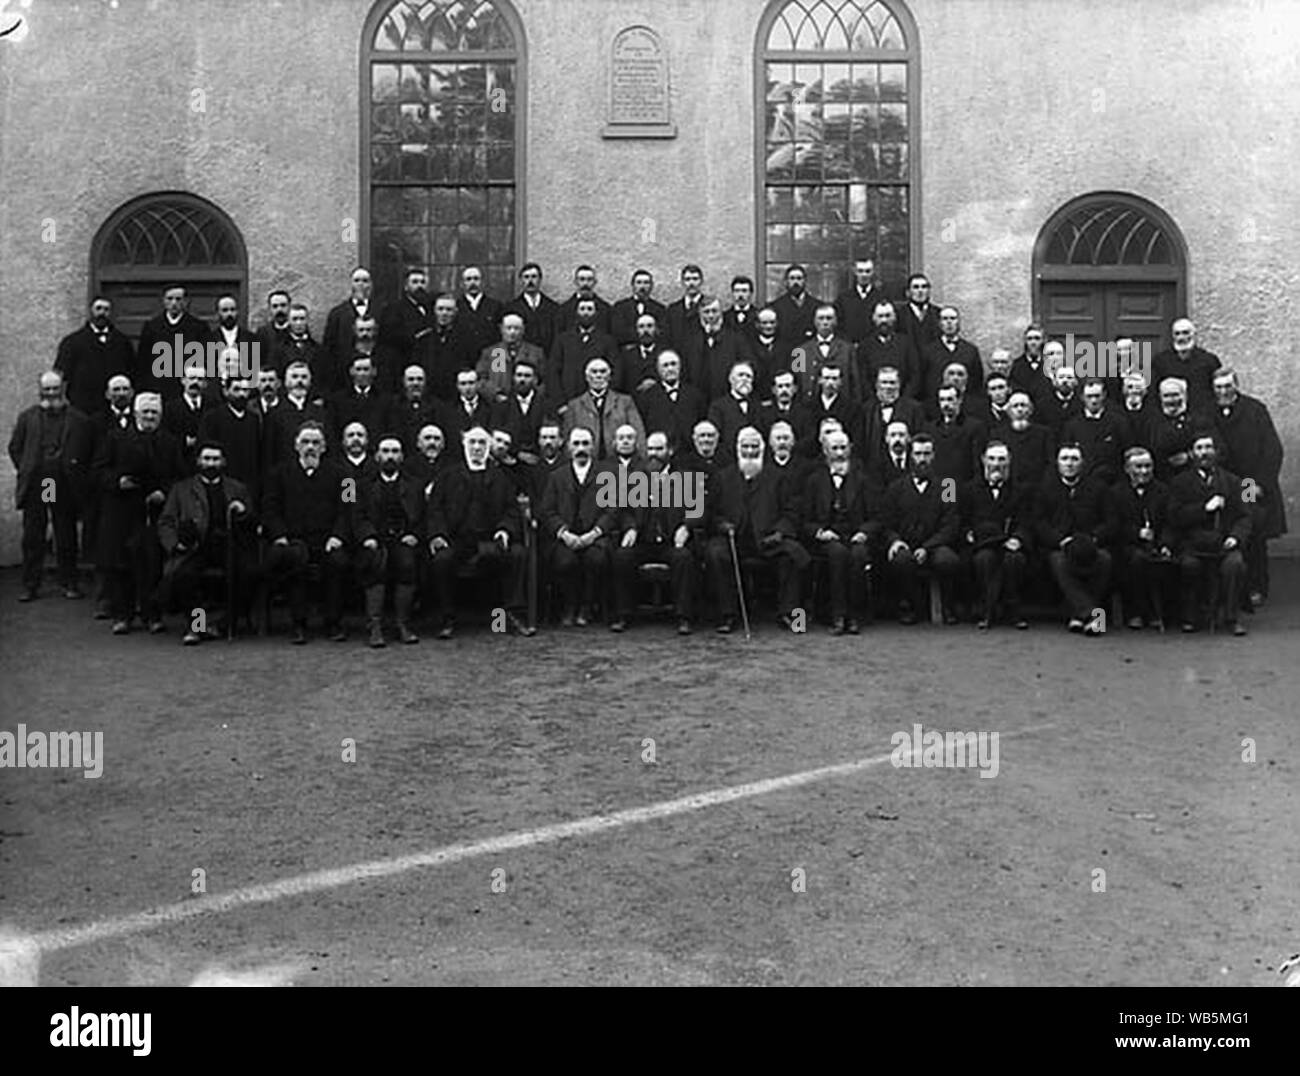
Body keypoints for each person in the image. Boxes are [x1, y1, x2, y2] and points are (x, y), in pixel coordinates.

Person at [262, 421, 372, 644]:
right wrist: (280, 535)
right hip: (294, 539)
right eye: (305, 442)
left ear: (324, 447)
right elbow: (270, 508)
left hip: (328, 539)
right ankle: (299, 624)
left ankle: (333, 622)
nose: (310, 447)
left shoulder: (344, 475)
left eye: (315, 442)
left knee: (337, 563)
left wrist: (338, 536)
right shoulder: (279, 473)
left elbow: (349, 508)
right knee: (295, 563)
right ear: (296, 445)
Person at [93, 392, 187, 634]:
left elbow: (180, 477)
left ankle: (152, 615)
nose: (149, 417)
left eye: (154, 413)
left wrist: (164, 493)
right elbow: (98, 471)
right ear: (135, 413)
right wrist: (117, 481)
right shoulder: (115, 438)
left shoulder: (169, 442)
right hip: (122, 510)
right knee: (121, 564)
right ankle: (122, 616)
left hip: (155, 512)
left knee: (152, 563)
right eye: (145, 412)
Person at [427, 426, 530, 638]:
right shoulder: (448, 476)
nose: (476, 448)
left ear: (488, 447)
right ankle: (448, 618)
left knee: (516, 553)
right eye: (472, 443)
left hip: (490, 538)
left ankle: (504, 618)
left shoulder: (500, 476)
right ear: (464, 445)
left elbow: (511, 509)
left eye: (482, 443)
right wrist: (438, 534)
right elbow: (435, 509)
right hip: (457, 539)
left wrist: (505, 529)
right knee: (442, 560)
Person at [705, 426, 809, 633]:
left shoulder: (777, 477)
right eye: (745, 447)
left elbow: (791, 512)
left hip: (768, 538)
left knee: (794, 554)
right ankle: (728, 615)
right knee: (716, 554)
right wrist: (722, 525)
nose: (750, 451)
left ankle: (792, 615)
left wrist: (780, 531)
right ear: (737, 449)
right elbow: (711, 512)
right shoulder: (723, 477)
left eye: (754, 447)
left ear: (762, 449)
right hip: (733, 539)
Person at [156, 441, 258, 643]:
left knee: (249, 573)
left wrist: (243, 512)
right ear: (198, 461)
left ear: (223, 462)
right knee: (185, 576)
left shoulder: (237, 488)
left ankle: (223, 624)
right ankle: (198, 626)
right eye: (207, 459)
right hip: (197, 547)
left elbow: (253, 520)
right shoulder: (182, 489)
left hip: (229, 545)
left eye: (215, 459)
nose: (211, 464)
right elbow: (166, 521)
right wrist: (176, 544)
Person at [9, 371, 91, 602]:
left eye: (56, 388)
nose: (52, 393)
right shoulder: (28, 417)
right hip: (39, 484)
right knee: (33, 535)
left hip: (64, 484)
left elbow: (86, 451)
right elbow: (15, 448)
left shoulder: (78, 419)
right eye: (47, 389)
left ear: (63, 388)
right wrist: (28, 468)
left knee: (65, 535)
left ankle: (69, 582)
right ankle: (30, 584)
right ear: (40, 390)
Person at [607, 430, 698, 634]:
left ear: (669, 451)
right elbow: (624, 510)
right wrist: (630, 528)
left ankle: (684, 617)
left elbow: (698, 508)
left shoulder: (685, 477)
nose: (654, 454)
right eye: (650, 449)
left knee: (683, 558)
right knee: (622, 556)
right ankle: (623, 614)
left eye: (659, 449)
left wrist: (686, 526)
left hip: (671, 542)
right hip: (643, 542)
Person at [1212, 368, 1285, 606]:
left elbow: (1272, 450)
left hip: (1250, 482)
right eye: (1219, 387)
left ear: (1236, 386)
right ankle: (1229, 591)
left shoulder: (1255, 410)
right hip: (1223, 484)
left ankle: (1256, 588)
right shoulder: (1208, 412)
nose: (1223, 391)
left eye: (1227, 386)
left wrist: (1260, 484)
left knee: (1254, 536)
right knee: (1226, 535)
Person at [1167, 432, 1250, 635]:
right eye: (1199, 448)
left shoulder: (1233, 481)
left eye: (1208, 447)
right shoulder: (1180, 483)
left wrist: (1235, 537)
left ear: (1216, 452)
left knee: (1235, 564)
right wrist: (1205, 508)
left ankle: (1231, 618)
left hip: (1222, 543)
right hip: (1193, 544)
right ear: (1191, 453)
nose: (1204, 453)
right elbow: (1174, 517)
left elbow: (1245, 517)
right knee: (1189, 565)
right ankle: (1191, 617)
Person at [1031, 443, 1114, 635]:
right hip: (1059, 546)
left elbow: (1111, 521)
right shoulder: (1045, 489)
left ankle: (1078, 616)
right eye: (1065, 459)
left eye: (1074, 459)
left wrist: (1093, 538)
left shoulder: (1099, 488)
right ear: (1057, 463)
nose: (1070, 464)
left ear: (1082, 463)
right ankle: (1094, 617)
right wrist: (1061, 540)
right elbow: (1039, 522)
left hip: (1091, 544)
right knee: (1059, 562)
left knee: (1105, 560)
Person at [881, 432, 960, 624]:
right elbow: (887, 523)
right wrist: (895, 540)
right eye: (918, 454)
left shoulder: (947, 486)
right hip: (906, 543)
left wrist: (928, 547)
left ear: (933, 456)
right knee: (900, 560)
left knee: (948, 560)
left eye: (926, 454)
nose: (922, 459)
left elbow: (951, 523)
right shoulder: (896, 487)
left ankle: (948, 607)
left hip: (935, 544)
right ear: (910, 455)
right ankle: (911, 606)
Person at [540, 426, 614, 626]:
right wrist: (564, 534)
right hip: (566, 537)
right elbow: (547, 511)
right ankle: (569, 606)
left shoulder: (606, 474)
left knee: (596, 559)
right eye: (576, 444)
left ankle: (587, 607)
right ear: (568, 447)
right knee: (565, 562)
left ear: (592, 446)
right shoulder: (557, 476)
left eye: (585, 443)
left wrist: (594, 534)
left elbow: (611, 511)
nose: (581, 448)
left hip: (595, 537)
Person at [803, 428, 874, 634]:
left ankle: (855, 616)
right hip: (828, 539)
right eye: (835, 448)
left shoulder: (862, 480)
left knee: (858, 554)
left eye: (844, 448)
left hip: (855, 535)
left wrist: (864, 532)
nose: (840, 453)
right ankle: (838, 615)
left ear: (850, 449)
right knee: (838, 553)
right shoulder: (814, 481)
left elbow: (876, 517)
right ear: (825, 451)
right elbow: (805, 520)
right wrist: (819, 532)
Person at [359, 436, 424, 647]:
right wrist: (367, 535)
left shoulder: (415, 484)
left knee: (407, 563)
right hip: (375, 539)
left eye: (395, 451)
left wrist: (415, 533)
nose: (390, 456)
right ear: (377, 455)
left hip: (403, 538)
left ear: (402, 456)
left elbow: (425, 515)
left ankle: (402, 624)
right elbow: (355, 514)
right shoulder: (359, 484)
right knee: (374, 565)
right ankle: (375, 626)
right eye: (385, 451)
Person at [959, 441, 1030, 629]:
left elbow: (1027, 521)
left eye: (1001, 459)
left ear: (1009, 461)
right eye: (991, 458)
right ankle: (987, 610)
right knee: (984, 559)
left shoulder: (1022, 490)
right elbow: (961, 520)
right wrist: (967, 533)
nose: (996, 463)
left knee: (1013, 560)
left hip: (1010, 544)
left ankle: (1013, 610)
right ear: (983, 460)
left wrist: (1018, 538)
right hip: (982, 545)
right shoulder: (968, 489)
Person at [1110, 446, 1173, 631]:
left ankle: (1163, 614)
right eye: (1138, 467)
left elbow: (1171, 522)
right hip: (1126, 546)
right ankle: (1135, 613)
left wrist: (1166, 544)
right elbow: (1114, 526)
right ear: (1127, 469)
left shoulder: (1163, 491)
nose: (1144, 471)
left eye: (1148, 466)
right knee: (1136, 560)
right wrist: (1136, 533)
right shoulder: (1115, 493)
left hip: (1157, 544)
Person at [54, 296, 134, 417]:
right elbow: (61, 375)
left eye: (106, 309)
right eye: (98, 308)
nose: (102, 313)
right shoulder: (72, 342)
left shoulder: (122, 342)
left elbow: (131, 373)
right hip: (82, 408)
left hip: (113, 410)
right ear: (90, 311)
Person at [561, 357, 646, 461]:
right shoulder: (574, 405)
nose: (598, 375)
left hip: (617, 463)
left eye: (603, 372)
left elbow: (639, 434)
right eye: (594, 372)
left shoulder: (625, 402)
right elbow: (567, 441)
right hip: (587, 463)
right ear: (587, 377)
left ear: (609, 376)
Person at [135, 285, 211, 398]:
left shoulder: (198, 328)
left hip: (187, 389)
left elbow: (206, 359)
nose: (174, 303)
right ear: (164, 301)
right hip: (158, 387)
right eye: (170, 299)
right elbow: (144, 361)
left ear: (186, 302)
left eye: (178, 299)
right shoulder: (152, 327)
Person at [551, 295, 618, 401]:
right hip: (568, 401)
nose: (586, 313)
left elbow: (616, 373)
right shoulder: (563, 340)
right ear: (576, 313)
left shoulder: (608, 341)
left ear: (596, 313)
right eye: (582, 309)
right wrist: (560, 403)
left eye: (590, 309)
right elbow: (553, 373)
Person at [322, 267, 373, 391]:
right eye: (357, 280)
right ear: (351, 284)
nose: (361, 284)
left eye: (365, 281)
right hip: (343, 378)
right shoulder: (337, 314)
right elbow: (329, 348)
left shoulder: (382, 311)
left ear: (371, 285)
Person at [1153, 319, 1220, 413]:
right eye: (1177, 334)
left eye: (1185, 333)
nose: (1181, 337)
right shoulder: (1160, 361)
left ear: (1194, 334)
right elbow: (1153, 392)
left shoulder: (1209, 361)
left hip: (1203, 417)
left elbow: (1218, 390)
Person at [476, 311, 546, 400]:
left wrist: (532, 396)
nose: (512, 332)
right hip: (497, 403)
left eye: (516, 328)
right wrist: (495, 394)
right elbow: (481, 379)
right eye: (508, 328)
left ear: (523, 330)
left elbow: (545, 381)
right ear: (501, 329)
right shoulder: (491, 352)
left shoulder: (536, 352)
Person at [504, 262, 561, 356]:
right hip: (520, 361)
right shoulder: (511, 308)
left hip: (546, 360)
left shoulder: (553, 308)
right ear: (521, 280)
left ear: (540, 279)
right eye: (526, 277)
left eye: (534, 277)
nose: (530, 281)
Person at [610, 268, 667, 347]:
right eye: (639, 283)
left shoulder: (660, 309)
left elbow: (661, 333)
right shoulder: (620, 307)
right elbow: (618, 333)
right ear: (633, 285)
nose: (642, 287)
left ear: (651, 286)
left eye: (646, 283)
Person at [456, 265, 505, 358]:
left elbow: (501, 340)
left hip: (491, 360)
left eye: (476, 279)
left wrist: (498, 368)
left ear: (483, 282)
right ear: (462, 283)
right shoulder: (456, 306)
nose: (473, 283)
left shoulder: (496, 306)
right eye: (468, 279)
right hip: (462, 362)